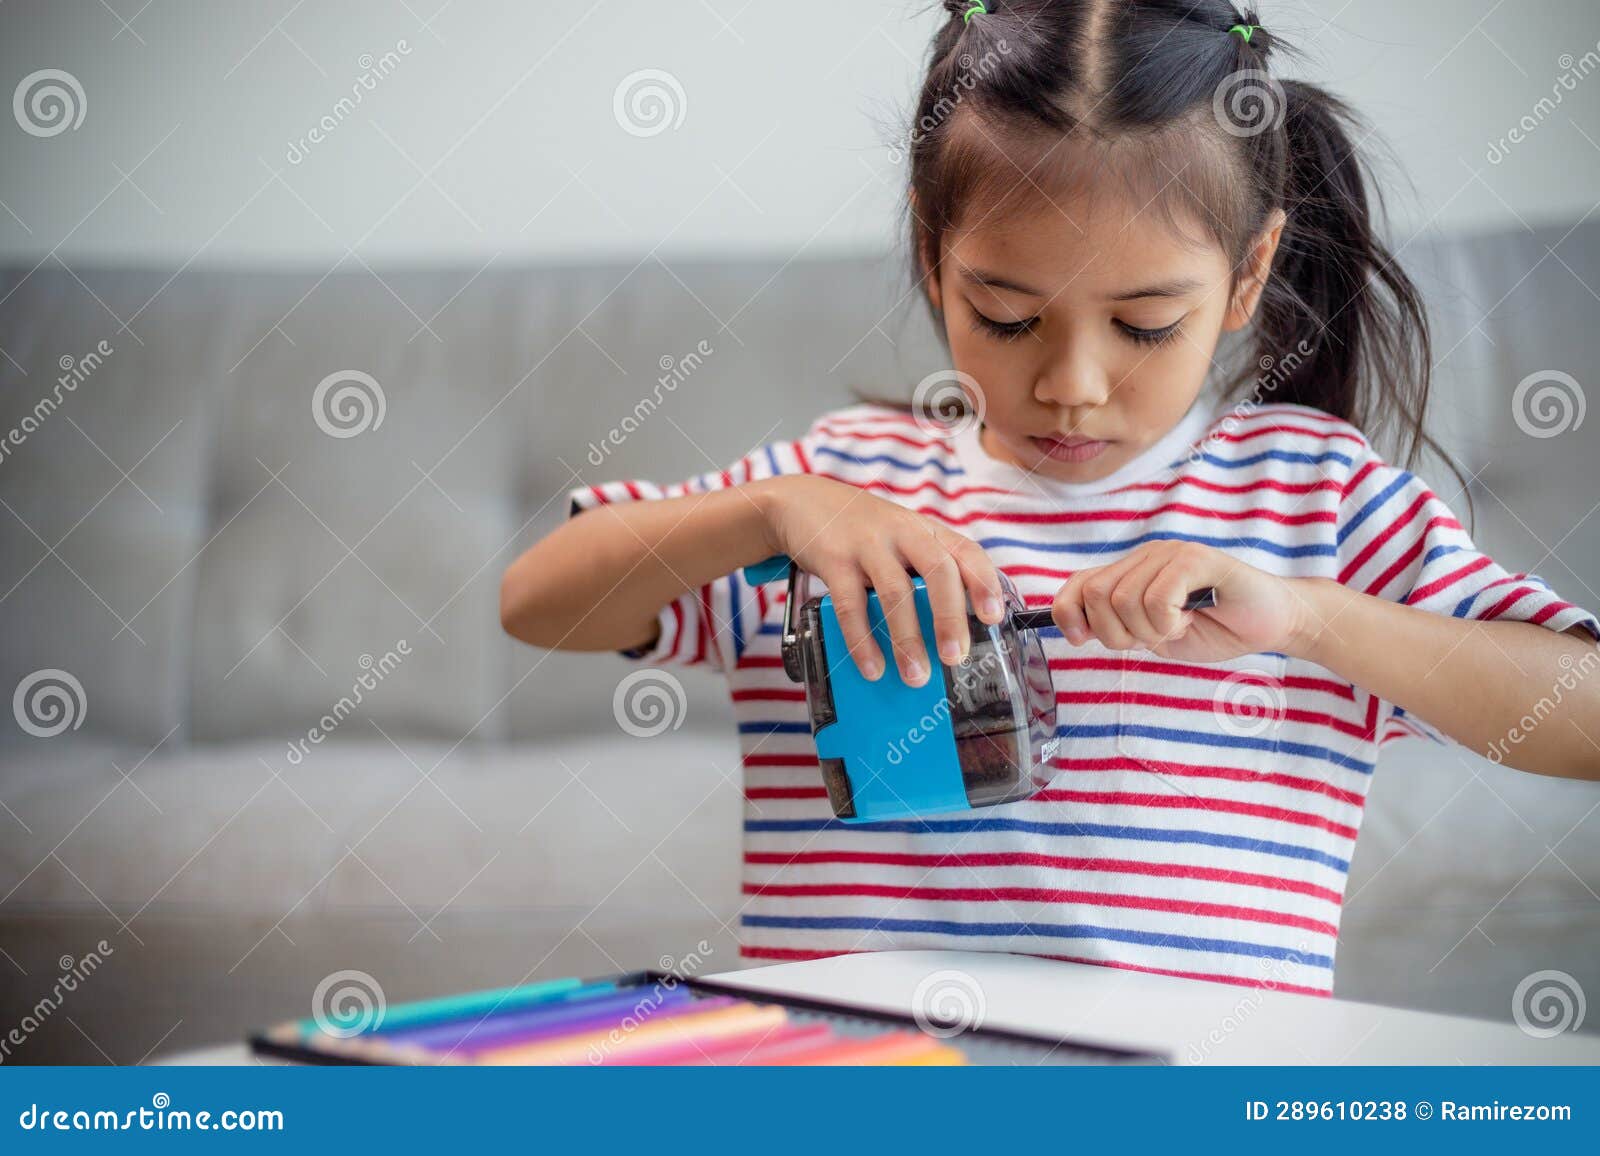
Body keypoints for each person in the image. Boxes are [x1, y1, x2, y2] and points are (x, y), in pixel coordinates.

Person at [501, 1, 1600, 996]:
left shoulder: (1314, 498)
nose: (1072, 385)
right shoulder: (835, 494)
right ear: (933, 256)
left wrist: (1308, 617)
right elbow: (538, 601)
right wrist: (767, 511)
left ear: (1249, 273)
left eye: (1143, 325)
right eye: (1009, 316)